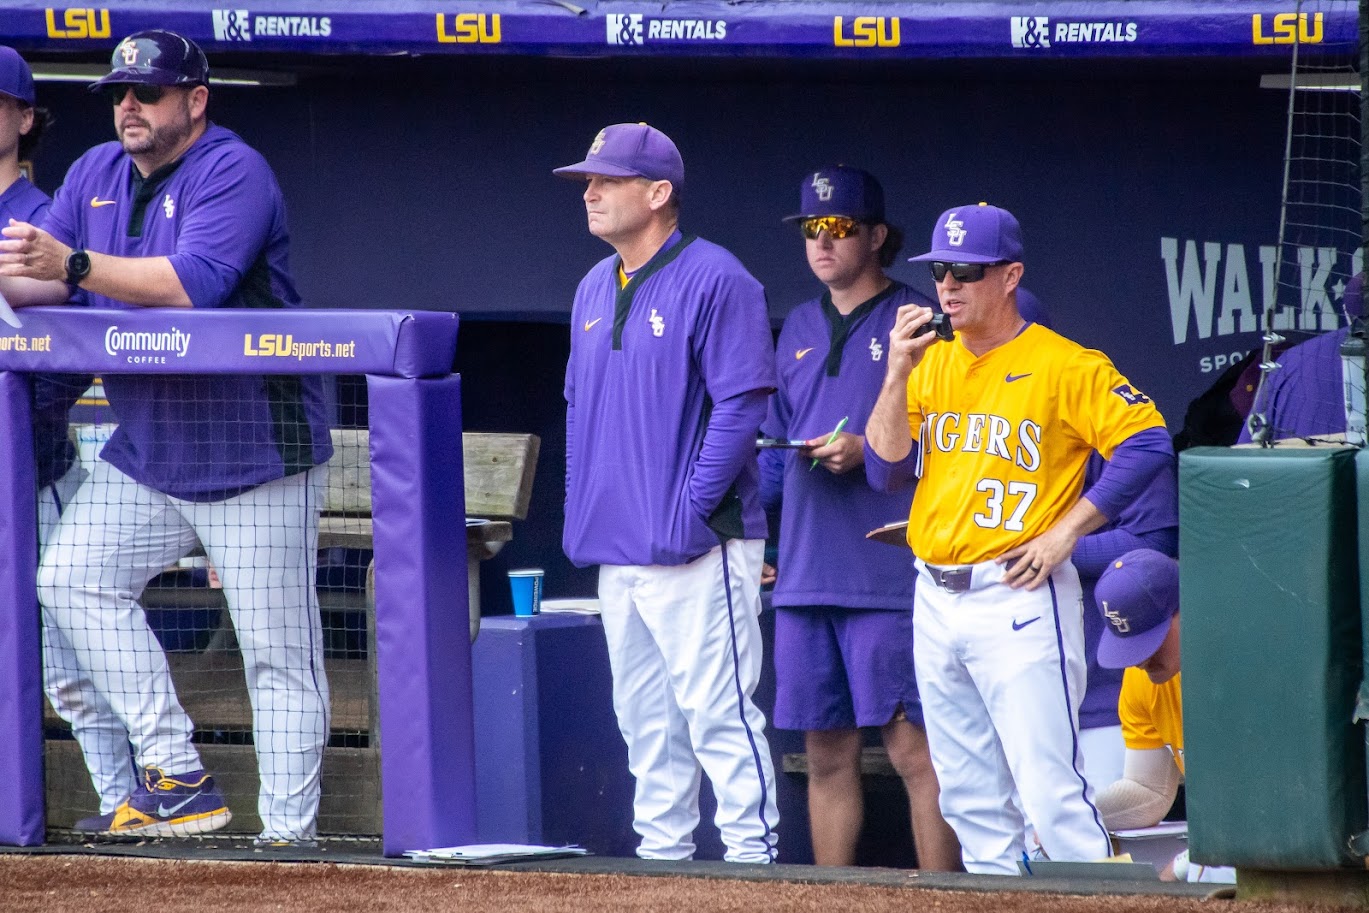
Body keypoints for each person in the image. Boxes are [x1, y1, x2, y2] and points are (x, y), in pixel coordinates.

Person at [0, 30, 334, 844]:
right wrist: (47, 272)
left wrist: (73, 265)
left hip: (256, 451)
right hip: (151, 450)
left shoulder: (234, 169)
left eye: (147, 92)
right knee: (71, 578)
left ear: (195, 99)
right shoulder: (94, 173)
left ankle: (288, 843)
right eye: (119, 92)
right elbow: (44, 282)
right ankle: (176, 774)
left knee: (276, 655)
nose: (128, 106)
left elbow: (194, 284)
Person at [864, 202, 1175, 874]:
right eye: (940, 270)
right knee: (969, 795)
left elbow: (1147, 440)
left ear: (1009, 276)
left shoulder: (1063, 363)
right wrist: (894, 371)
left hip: (1016, 595)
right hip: (935, 593)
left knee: (1049, 791)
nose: (947, 285)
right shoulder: (930, 362)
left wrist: (1067, 530)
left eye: (966, 271)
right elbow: (883, 466)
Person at [557, 122, 780, 863]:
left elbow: (741, 405)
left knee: (718, 714)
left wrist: (689, 512)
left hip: (697, 548)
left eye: (606, 180)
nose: (588, 191)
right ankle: (664, 863)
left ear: (658, 194)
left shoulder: (717, 277)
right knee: (643, 720)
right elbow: (578, 408)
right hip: (618, 548)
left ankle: (753, 861)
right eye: (586, 180)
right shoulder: (593, 283)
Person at [758, 165, 959, 870]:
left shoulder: (918, 321)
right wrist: (761, 536)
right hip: (807, 573)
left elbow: (946, 439)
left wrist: (868, 448)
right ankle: (831, 894)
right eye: (812, 228)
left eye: (838, 227)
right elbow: (774, 447)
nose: (822, 241)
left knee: (914, 749)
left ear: (876, 236)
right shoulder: (800, 325)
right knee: (824, 752)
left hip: (885, 568)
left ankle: (943, 895)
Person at [0, 44, 135, 833]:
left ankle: (124, 798)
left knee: (70, 668)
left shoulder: (39, 221)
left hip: (32, 476)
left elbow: (67, 361)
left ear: (24, 118)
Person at [1013, 290, 1179, 792]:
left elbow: (1153, 544)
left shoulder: (1109, 425)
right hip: (1013, 676)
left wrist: (1052, 549)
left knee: (1097, 850)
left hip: (1104, 680)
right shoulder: (975, 428)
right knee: (1016, 849)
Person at [1092, 550, 1233, 883]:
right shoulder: (1141, 680)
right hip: (1221, 843)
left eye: (1149, 641)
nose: (1139, 660)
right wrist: (1076, 816)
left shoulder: (1237, 666)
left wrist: (1183, 865)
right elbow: (1149, 791)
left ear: (1186, 611)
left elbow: (1271, 800)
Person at [1237, 273, 1363, 444]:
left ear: (1346, 313)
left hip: (1307, 469)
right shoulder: (1289, 362)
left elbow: (1247, 452)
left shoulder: (1290, 361)